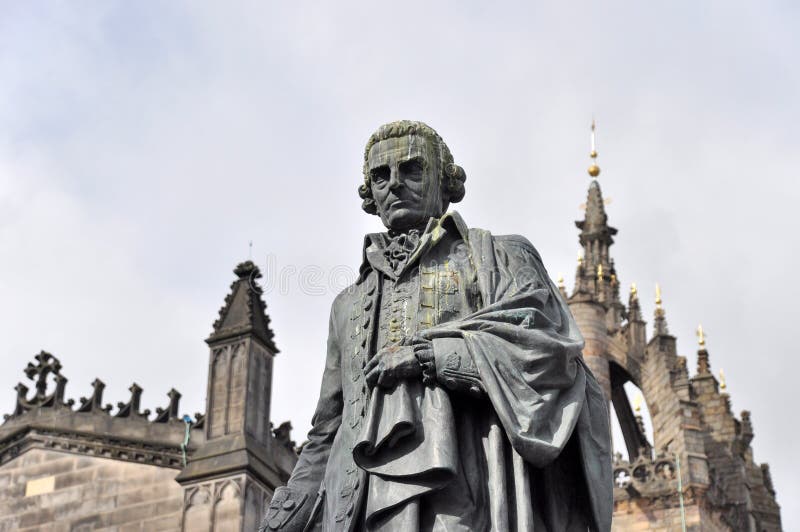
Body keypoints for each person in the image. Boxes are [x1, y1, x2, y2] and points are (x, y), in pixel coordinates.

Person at [260, 120, 612, 532]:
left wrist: (435, 356)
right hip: (358, 506)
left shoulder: (498, 257)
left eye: (411, 169)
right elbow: (327, 428)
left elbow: (547, 347)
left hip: (466, 494)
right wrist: (286, 514)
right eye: (380, 176)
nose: (394, 184)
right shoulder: (348, 305)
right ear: (370, 195)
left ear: (445, 182)